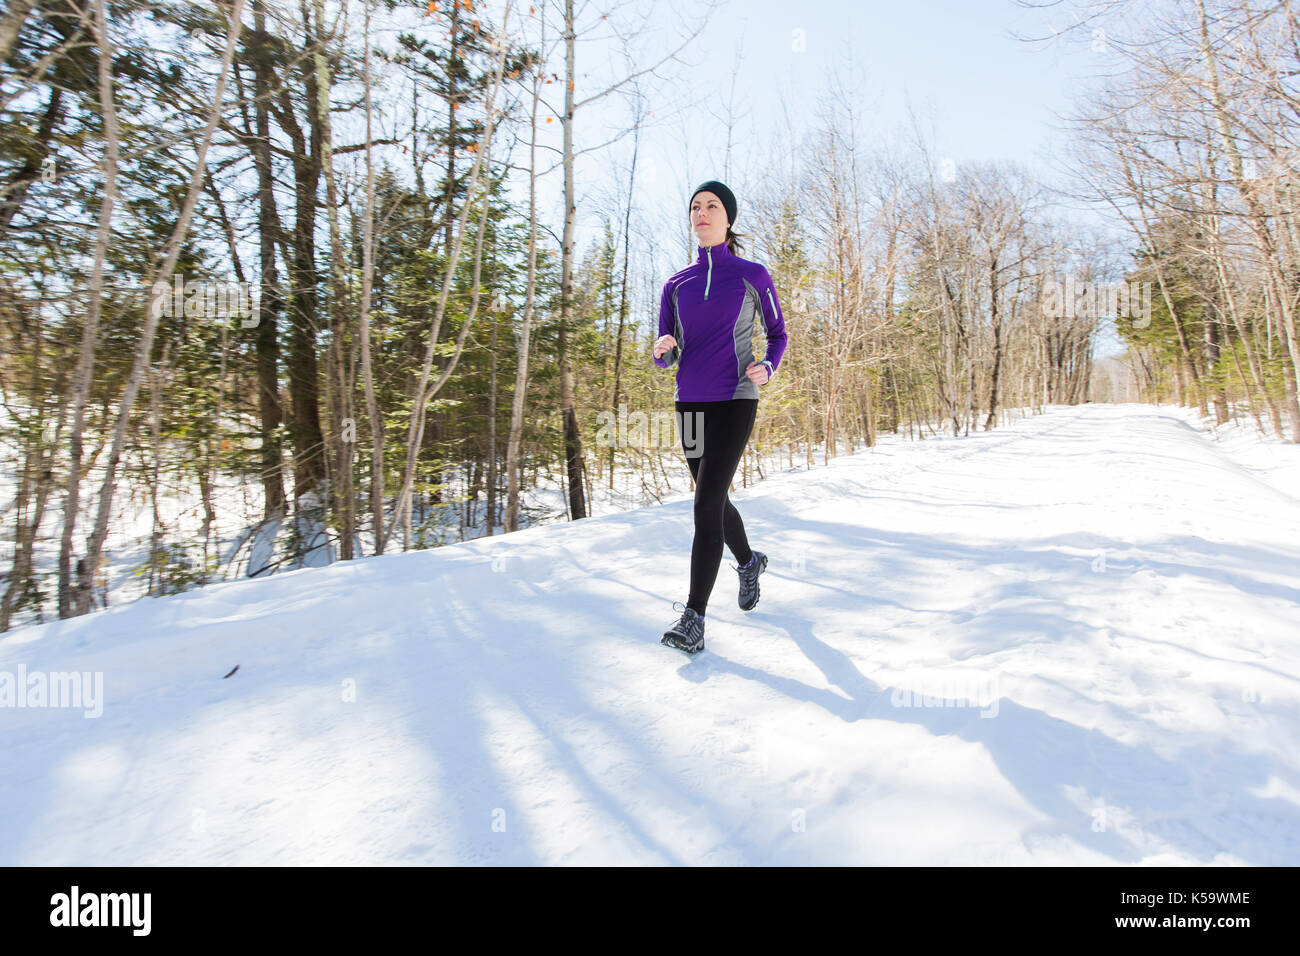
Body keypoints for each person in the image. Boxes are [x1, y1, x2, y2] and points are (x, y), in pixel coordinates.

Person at [652, 180, 788, 653]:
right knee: (714, 500)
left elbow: (778, 332)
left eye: (712, 206)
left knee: (705, 506)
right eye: (695, 206)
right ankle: (749, 562)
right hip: (689, 402)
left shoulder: (753, 275)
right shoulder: (675, 284)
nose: (702, 212)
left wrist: (768, 366)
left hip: (735, 399)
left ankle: (694, 618)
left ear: (728, 219)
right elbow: (666, 349)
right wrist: (663, 352)